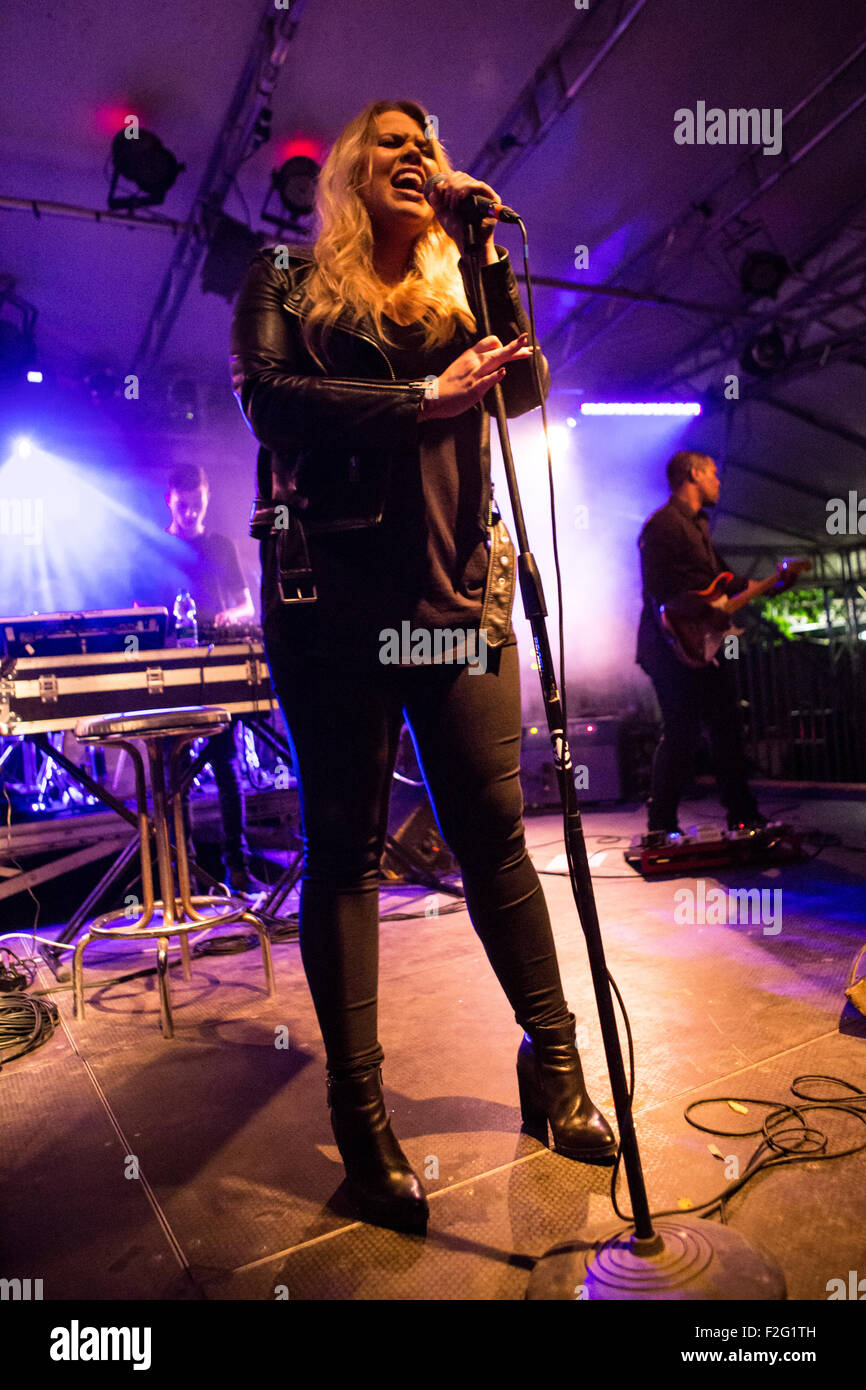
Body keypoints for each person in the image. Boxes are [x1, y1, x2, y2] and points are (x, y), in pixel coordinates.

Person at [230, 98, 616, 1235]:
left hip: (451, 608)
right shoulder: (288, 282)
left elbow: (527, 386)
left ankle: (554, 1070)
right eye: (392, 145)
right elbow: (267, 399)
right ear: (349, 171)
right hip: (338, 611)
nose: (417, 158)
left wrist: (487, 256)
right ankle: (361, 1123)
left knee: (491, 832)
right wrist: (415, 399)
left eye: (429, 148)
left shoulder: (461, 283)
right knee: (344, 852)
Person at [636, 450, 768, 838]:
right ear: (693, 474)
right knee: (682, 731)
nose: (719, 481)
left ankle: (743, 817)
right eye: (713, 473)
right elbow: (662, 592)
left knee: (726, 724)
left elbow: (725, 581)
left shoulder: (699, 526)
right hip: (669, 644)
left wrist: (771, 583)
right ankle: (660, 825)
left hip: (703, 646)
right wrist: (704, 610)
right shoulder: (662, 525)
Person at [162, 464, 263, 894]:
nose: (190, 513)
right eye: (183, 506)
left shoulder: (221, 545)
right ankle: (184, 872)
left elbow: (247, 608)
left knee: (226, 765)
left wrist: (230, 617)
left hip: (217, 663)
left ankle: (236, 868)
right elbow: (137, 609)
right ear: (170, 500)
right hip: (171, 669)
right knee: (175, 771)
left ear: (206, 498)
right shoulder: (156, 548)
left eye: (197, 505)